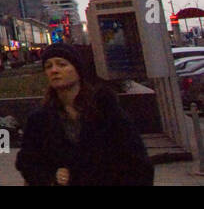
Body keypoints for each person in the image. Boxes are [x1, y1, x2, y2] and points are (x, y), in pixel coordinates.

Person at [15, 45, 153, 187]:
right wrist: (51, 175)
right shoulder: (39, 120)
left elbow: (136, 160)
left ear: (78, 70)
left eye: (62, 64)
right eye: (48, 66)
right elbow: (28, 162)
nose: (54, 70)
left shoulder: (106, 110)